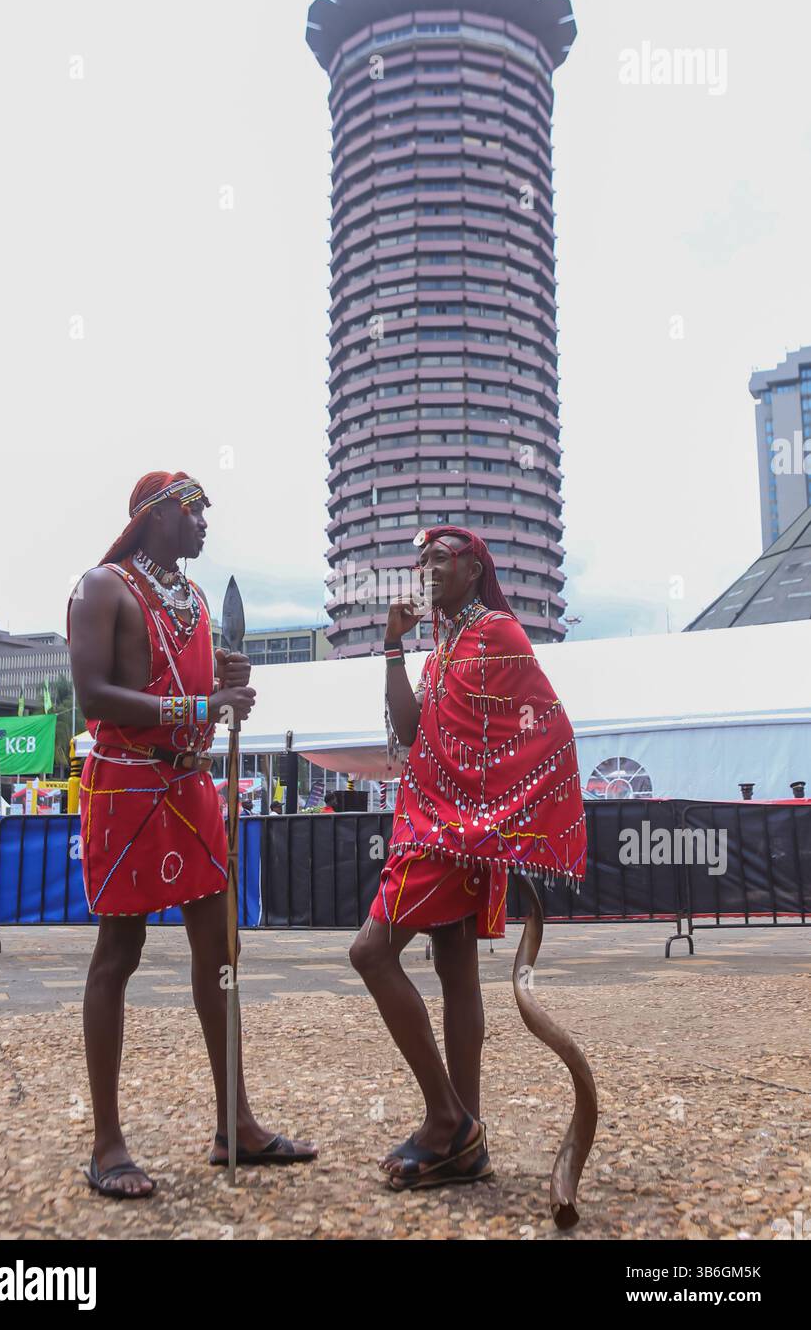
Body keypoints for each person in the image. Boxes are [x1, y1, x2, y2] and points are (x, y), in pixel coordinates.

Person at [68, 471, 317, 1198]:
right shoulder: (101, 586)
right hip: (127, 784)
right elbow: (91, 693)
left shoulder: (196, 599)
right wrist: (207, 697)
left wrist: (224, 671)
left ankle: (234, 1123)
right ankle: (107, 1143)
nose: (205, 523)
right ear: (153, 517)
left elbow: (189, 682)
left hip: (189, 785)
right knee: (120, 951)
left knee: (223, 952)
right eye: (193, 511)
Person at [349, 525, 586, 1190]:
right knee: (455, 970)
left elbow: (549, 730)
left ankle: (446, 1121)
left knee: (369, 953)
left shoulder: (501, 635)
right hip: (427, 822)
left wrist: (497, 814)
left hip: (454, 835)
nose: (425, 569)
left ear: (474, 570)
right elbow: (407, 731)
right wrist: (394, 644)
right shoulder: (441, 646)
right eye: (419, 559)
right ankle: (467, 1138)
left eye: (439, 560)